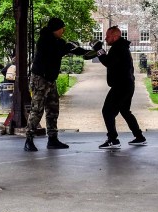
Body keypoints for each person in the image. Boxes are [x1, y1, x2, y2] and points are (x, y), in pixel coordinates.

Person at [24, 16, 89, 152]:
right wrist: (67, 47)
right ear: (55, 29)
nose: (63, 31)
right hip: (40, 79)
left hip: (50, 80)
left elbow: (70, 50)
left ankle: (52, 139)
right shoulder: (44, 41)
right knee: (37, 109)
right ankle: (29, 139)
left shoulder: (58, 41)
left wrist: (89, 53)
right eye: (61, 29)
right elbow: (54, 53)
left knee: (53, 108)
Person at [97, 26, 145, 149]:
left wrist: (99, 50)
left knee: (107, 111)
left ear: (115, 36)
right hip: (127, 85)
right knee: (125, 111)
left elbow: (108, 62)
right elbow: (112, 62)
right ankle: (139, 137)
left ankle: (113, 139)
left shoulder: (118, 48)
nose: (105, 38)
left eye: (108, 36)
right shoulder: (121, 47)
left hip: (121, 86)